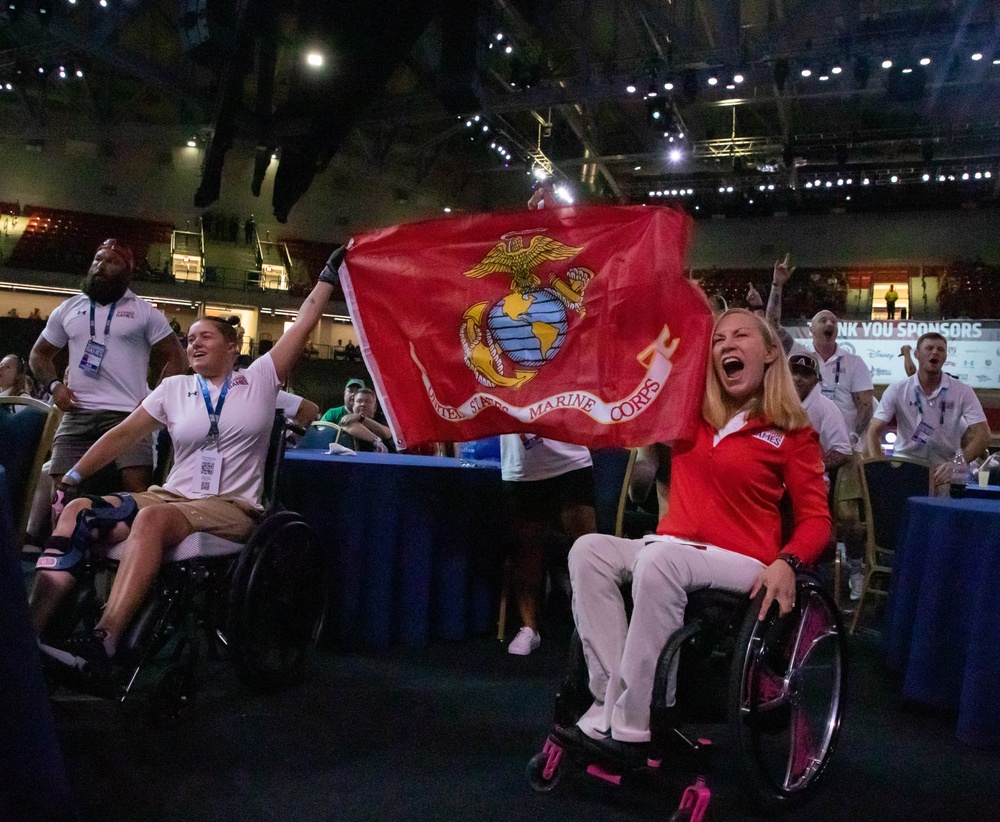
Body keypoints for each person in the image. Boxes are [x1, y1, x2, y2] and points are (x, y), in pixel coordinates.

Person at [30, 248, 345, 678]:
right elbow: (122, 434)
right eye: (188, 338)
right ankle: (30, 633)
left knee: (153, 519)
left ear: (233, 347)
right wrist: (72, 475)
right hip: (171, 496)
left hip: (232, 507)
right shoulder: (174, 388)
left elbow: (307, 317)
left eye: (205, 337)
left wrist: (327, 274)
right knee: (77, 510)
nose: (192, 343)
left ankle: (104, 642)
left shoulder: (261, 379)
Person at [557, 308, 830, 766]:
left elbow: (817, 520)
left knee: (659, 562)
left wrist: (789, 561)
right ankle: (607, 702)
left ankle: (637, 721)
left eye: (740, 335)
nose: (726, 345)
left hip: (743, 559)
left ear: (768, 354)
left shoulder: (792, 433)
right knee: (588, 550)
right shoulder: (688, 415)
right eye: (718, 339)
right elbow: (642, 370)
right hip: (672, 546)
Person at [28, 239, 188, 495]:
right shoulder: (68, 308)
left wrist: (154, 399)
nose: (101, 266)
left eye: (111, 261)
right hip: (77, 412)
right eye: (97, 259)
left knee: (135, 492)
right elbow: (39, 354)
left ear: (127, 272)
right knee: (60, 491)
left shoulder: (145, 312)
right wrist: (55, 386)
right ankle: (62, 536)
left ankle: (131, 536)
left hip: (128, 416)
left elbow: (178, 358)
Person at [500, 434, 597, 655]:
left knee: (588, 549)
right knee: (525, 549)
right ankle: (529, 628)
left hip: (570, 460)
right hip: (521, 466)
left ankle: (594, 626)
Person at [866, 332, 990, 490]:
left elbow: (983, 434)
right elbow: (873, 430)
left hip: (943, 467)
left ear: (945, 356)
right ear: (917, 354)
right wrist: (881, 469)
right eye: (929, 348)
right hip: (905, 463)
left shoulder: (962, 390)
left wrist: (957, 463)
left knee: (942, 505)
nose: (935, 352)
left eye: (940, 349)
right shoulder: (897, 389)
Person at [788, 351, 852, 481]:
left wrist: (810, 467)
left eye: (805, 374)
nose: (798, 378)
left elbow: (843, 452)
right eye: (794, 372)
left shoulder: (827, 408)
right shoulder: (771, 402)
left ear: (816, 380)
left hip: (811, 482)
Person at [340, 387, 393, 452]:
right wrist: (376, 441)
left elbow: (387, 434)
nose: (363, 404)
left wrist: (362, 418)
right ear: (353, 405)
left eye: (367, 401)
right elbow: (346, 423)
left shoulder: (382, 419)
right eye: (359, 401)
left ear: (375, 407)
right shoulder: (349, 419)